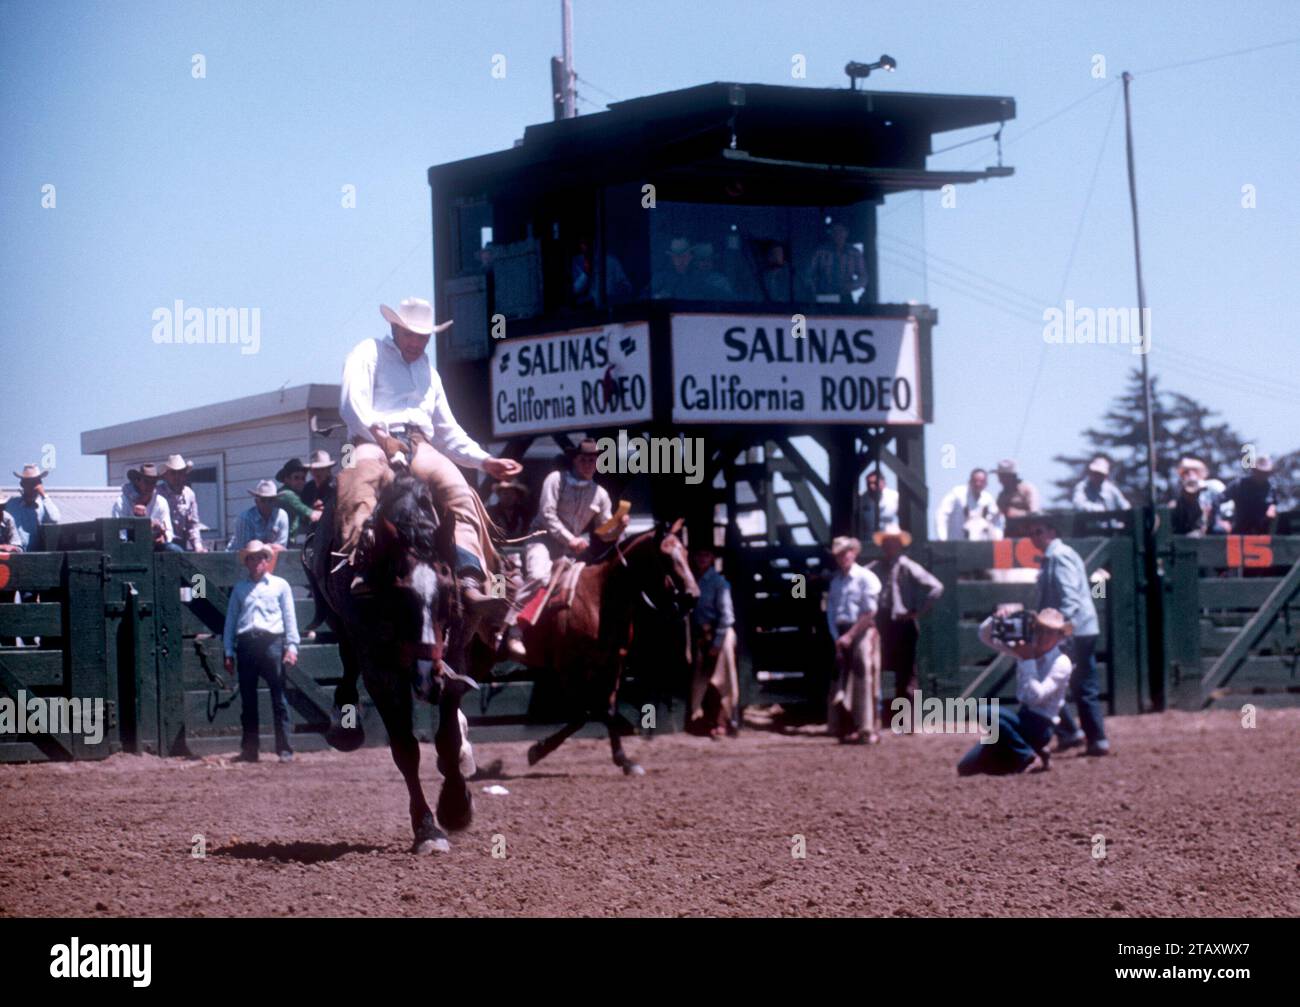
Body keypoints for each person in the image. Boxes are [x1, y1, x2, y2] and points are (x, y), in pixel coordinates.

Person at [336, 297, 522, 642]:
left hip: (420, 444)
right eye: (410, 334)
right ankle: (359, 564)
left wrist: (485, 460)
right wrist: (380, 434)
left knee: (459, 490)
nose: (417, 342)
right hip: (372, 439)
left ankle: (468, 574)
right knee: (357, 480)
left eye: (423, 337)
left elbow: (448, 431)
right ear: (395, 329)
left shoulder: (429, 373)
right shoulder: (369, 352)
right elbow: (351, 402)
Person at [957, 608, 1074, 776]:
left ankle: (1028, 755)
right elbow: (985, 635)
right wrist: (995, 618)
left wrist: (1027, 660)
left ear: (1059, 636)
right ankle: (1032, 752)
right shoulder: (1027, 648)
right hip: (1021, 721)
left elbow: (1036, 698)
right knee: (966, 767)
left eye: (1050, 632)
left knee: (984, 712)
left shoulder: (1061, 663)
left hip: (1040, 726)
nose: (1043, 636)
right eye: (1040, 630)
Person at [1026, 516, 1108, 756]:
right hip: (1077, 628)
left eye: (1038, 531)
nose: (1034, 537)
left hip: (1073, 630)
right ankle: (1078, 734)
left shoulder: (1058, 556)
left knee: (1072, 683)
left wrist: (1057, 628)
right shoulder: (1055, 556)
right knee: (1069, 682)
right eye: (1031, 533)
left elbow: (1070, 597)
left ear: (1051, 531)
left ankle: (1089, 737)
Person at [222, 539, 299, 763]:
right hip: (246, 644)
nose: (256, 562)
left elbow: (289, 617)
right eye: (252, 558)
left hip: (272, 643)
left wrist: (292, 646)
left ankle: (284, 749)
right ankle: (249, 750)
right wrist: (228, 651)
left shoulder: (280, 586)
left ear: (267, 561)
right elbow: (231, 622)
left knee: (280, 697)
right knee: (248, 700)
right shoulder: (239, 589)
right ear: (246, 562)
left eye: (261, 558)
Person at [524, 439, 627, 585]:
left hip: (568, 552)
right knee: (538, 578)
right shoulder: (556, 480)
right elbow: (546, 514)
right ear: (575, 461)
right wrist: (570, 539)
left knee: (581, 587)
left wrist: (619, 527)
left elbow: (604, 532)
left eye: (591, 460)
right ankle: (520, 608)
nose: (587, 464)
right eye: (583, 460)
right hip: (542, 542)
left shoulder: (600, 494)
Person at [866, 524, 943, 718]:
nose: (888, 546)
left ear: (899, 545)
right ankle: (879, 714)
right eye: (886, 542)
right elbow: (859, 574)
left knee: (906, 670)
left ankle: (906, 718)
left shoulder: (907, 565)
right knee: (878, 665)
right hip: (883, 621)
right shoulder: (876, 567)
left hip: (902, 623)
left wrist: (917, 612)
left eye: (892, 542)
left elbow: (936, 587)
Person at [826, 536, 883, 745]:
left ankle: (868, 728)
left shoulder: (866, 577)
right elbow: (832, 611)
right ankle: (847, 727)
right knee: (841, 679)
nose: (843, 557)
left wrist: (850, 635)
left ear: (854, 552)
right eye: (839, 554)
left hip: (861, 631)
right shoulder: (836, 581)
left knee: (865, 676)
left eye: (846, 552)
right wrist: (837, 637)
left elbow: (869, 611)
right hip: (842, 634)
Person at [688, 545, 739, 738]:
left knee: (724, 678)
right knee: (701, 679)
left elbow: (727, 616)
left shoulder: (719, 582)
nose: (702, 558)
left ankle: (724, 721)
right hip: (700, 633)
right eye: (699, 554)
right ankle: (703, 719)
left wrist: (718, 642)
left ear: (712, 559)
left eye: (706, 555)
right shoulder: (691, 581)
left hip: (721, 632)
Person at [112, 463, 179, 552]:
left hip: (156, 547)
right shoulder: (122, 502)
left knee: (175, 550)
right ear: (138, 481)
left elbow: (169, 531)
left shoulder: (161, 502)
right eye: (146, 481)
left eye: (153, 482)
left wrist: (164, 537)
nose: (150, 486)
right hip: (130, 549)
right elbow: (120, 535)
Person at [806, 221, 867, 302]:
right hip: (824, 296)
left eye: (841, 231)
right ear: (831, 234)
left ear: (846, 233)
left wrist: (851, 286)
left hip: (845, 297)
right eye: (835, 231)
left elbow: (863, 277)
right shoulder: (821, 252)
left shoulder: (854, 253)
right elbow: (809, 274)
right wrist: (816, 288)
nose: (838, 235)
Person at [935, 468, 1000, 541]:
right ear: (969, 482)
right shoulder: (957, 494)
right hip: (954, 544)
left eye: (981, 482)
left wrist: (997, 542)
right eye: (975, 481)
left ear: (986, 484)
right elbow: (942, 514)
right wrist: (942, 538)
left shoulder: (988, 499)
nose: (978, 484)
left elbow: (996, 522)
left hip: (978, 546)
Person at [7, 464, 61, 551]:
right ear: (22, 484)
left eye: (35, 483)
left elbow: (55, 519)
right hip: (15, 555)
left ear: (39, 484)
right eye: (28, 483)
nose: (31, 487)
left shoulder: (44, 505)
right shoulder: (12, 504)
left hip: (36, 556)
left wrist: (44, 495)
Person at [158, 454, 205, 552]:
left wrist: (198, 546)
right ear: (166, 475)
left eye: (180, 473)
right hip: (161, 543)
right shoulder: (158, 493)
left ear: (184, 475)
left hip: (180, 543)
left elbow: (193, 524)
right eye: (173, 473)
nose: (177, 477)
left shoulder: (189, 494)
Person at [1221, 457, 1278, 535]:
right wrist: (1222, 520)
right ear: (1253, 471)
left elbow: (1273, 503)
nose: (1263, 475)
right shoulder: (1239, 484)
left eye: (1266, 473)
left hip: (1261, 534)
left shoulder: (1270, 488)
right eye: (1260, 472)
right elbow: (1219, 500)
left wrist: (1272, 508)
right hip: (1239, 531)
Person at [230, 480, 290, 552]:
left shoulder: (282, 516)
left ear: (275, 501)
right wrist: (271, 546)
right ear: (256, 501)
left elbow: (282, 548)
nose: (267, 504)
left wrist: (260, 547)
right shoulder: (245, 518)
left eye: (271, 500)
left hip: (269, 558)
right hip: (234, 559)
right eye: (263, 500)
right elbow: (245, 551)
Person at [275, 458, 320, 543]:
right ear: (286, 479)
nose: (301, 481)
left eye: (303, 478)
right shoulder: (286, 495)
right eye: (296, 478)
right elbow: (311, 514)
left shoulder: (296, 495)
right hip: (283, 545)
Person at [860, 469, 900, 538]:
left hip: (890, 540)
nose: (871, 486)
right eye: (869, 483)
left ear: (883, 483)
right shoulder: (861, 500)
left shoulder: (894, 497)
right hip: (868, 542)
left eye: (874, 483)